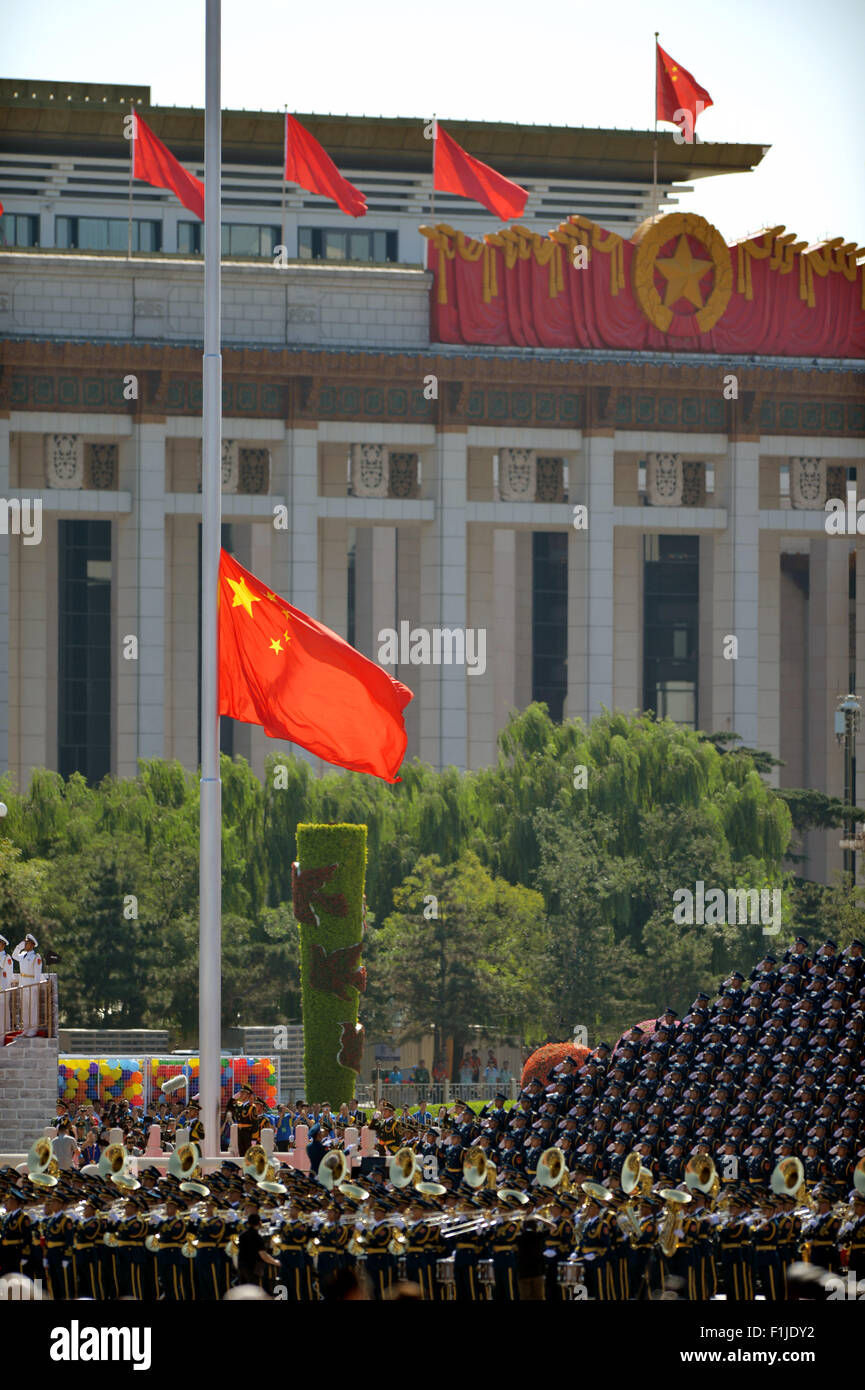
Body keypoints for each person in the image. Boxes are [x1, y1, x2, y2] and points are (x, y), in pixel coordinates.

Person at [12, 934, 42, 1031]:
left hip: (31, 985)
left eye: (27, 943)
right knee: (24, 1008)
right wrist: (19, 947)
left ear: (32, 944)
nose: (25, 944)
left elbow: (37, 975)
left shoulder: (36, 957)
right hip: (23, 984)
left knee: (32, 1008)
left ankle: (33, 1029)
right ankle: (26, 1029)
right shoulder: (22, 955)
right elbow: (14, 955)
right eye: (25, 942)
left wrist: (35, 988)